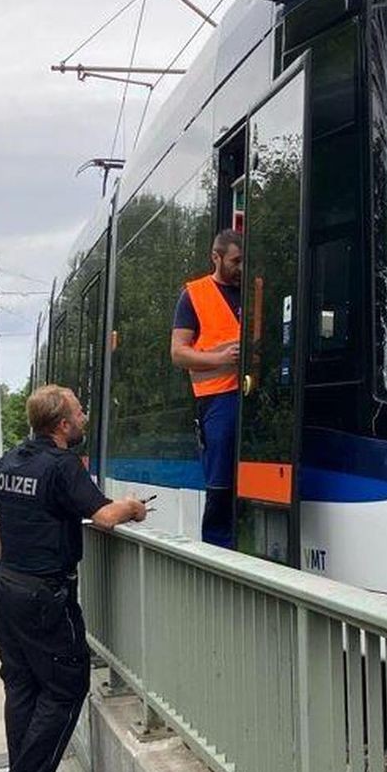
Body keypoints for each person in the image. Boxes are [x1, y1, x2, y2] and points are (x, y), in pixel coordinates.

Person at [0, 384, 147, 772]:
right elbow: (106, 517)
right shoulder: (62, 466)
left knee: (22, 686)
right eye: (79, 412)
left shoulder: (11, 461)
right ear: (62, 424)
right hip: (46, 598)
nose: (84, 418)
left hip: (8, 589)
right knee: (66, 688)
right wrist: (132, 506)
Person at [169, 229, 243, 548]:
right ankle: (217, 547)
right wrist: (219, 357)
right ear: (216, 257)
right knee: (221, 481)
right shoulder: (194, 294)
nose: (241, 267)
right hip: (217, 400)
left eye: (245, 261)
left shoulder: (254, 288)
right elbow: (178, 352)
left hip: (254, 396)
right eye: (235, 261)